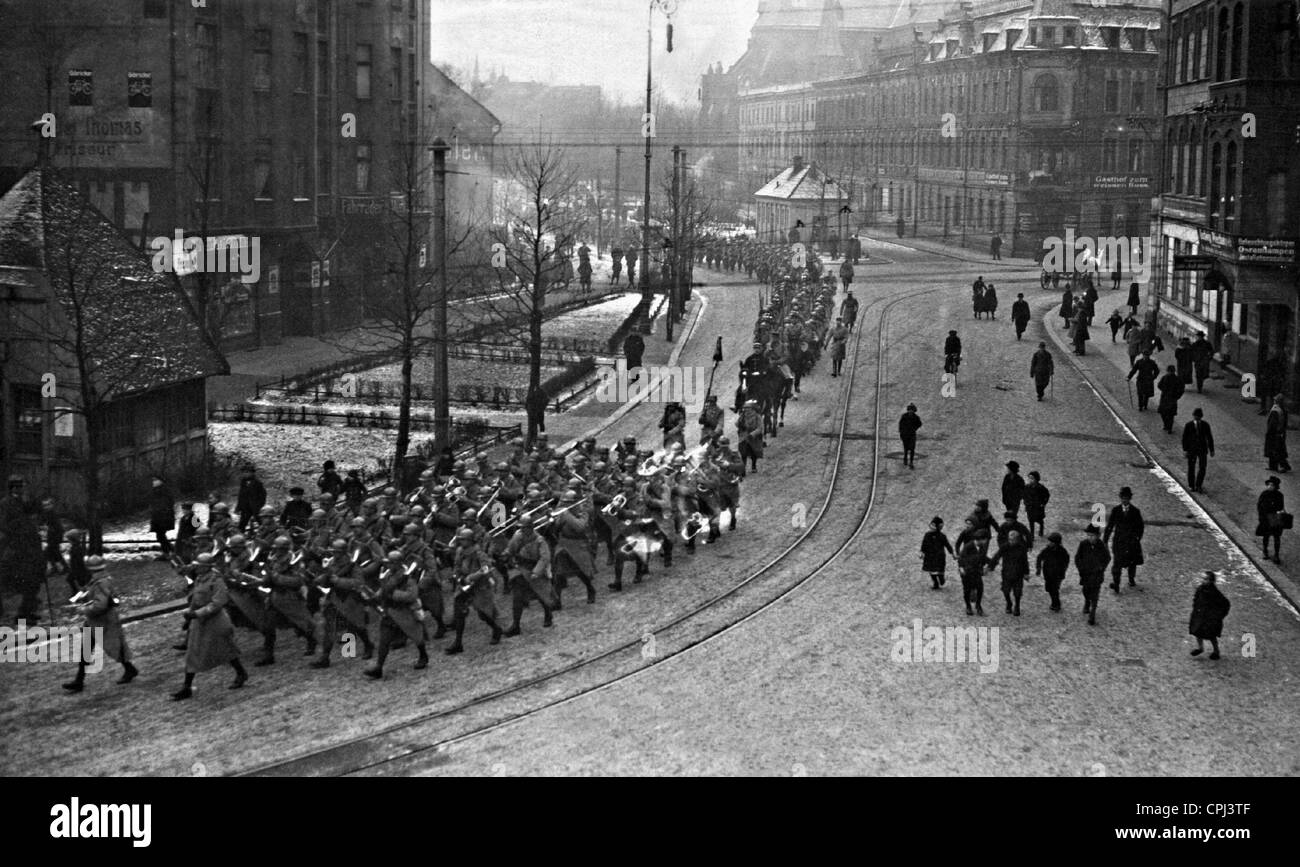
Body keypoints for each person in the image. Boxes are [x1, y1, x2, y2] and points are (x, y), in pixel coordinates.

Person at [171, 553, 246, 699]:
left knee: (227, 650)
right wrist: (190, 614)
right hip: (200, 621)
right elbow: (196, 599)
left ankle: (241, 673)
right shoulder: (200, 579)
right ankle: (186, 687)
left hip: (216, 622)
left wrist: (197, 613)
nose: (196, 568)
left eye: (198, 566)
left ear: (206, 567)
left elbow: (218, 603)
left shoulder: (216, 580)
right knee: (192, 652)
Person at [62, 556, 138, 692]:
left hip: (103, 621)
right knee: (87, 649)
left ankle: (130, 669)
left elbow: (100, 605)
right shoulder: (100, 580)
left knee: (114, 647)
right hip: (96, 622)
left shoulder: (100, 583)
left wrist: (84, 609)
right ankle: (79, 680)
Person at [0, 475, 43, 625]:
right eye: (15, 487)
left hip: (29, 546)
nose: (18, 489)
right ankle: (23, 614)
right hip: (16, 548)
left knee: (34, 581)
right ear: (11, 488)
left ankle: (27, 611)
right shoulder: (6, 503)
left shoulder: (23, 501)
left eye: (20, 487)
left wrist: (31, 499)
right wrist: (20, 528)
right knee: (27, 581)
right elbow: (4, 524)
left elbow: (37, 510)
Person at [1103, 486, 1145, 592]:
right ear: (1120, 498)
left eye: (1126, 498)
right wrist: (1105, 540)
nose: (1124, 500)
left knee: (1132, 563)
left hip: (1131, 542)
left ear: (1130, 499)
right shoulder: (1116, 510)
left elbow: (1140, 527)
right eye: (1123, 498)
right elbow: (1110, 525)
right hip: (1119, 542)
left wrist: (1136, 538)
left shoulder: (1135, 511)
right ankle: (1116, 583)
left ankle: (1131, 579)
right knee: (1117, 563)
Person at [1188, 571, 1230, 660]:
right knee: (1197, 632)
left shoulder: (1215, 593)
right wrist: (1195, 608)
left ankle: (1216, 651)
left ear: (1211, 581)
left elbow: (1225, 604)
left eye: (1206, 579)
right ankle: (1200, 648)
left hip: (1209, 618)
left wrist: (1219, 616)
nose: (1203, 581)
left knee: (1211, 635)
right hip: (1199, 616)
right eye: (1203, 579)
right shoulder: (1200, 589)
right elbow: (1196, 599)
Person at [987, 529, 1029, 616]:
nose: (1011, 541)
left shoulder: (1022, 548)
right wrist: (990, 566)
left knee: (1017, 592)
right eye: (1010, 539)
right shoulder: (1005, 547)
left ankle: (1017, 606)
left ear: (1017, 540)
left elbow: (1025, 561)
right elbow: (996, 556)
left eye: (1013, 540)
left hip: (1018, 573)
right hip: (1006, 573)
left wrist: (1026, 573)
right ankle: (1009, 603)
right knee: (1006, 591)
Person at [1075, 525, 1111, 626]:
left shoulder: (1101, 545)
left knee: (1095, 595)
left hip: (1096, 575)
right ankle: (1087, 602)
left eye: (1092, 536)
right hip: (1085, 574)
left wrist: (1101, 568)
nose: (1090, 537)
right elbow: (1078, 557)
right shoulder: (1083, 544)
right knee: (1085, 591)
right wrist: (1080, 568)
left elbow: (1107, 558)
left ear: (1098, 536)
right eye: (1088, 535)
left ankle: (1092, 615)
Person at [1181, 407, 1215, 492]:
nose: (1197, 418)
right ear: (1193, 416)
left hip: (1202, 449)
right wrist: (1185, 449)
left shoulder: (1205, 425)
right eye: (1196, 416)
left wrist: (1211, 449)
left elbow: (1209, 437)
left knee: (1202, 467)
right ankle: (1191, 485)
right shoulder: (1188, 425)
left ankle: (1199, 485)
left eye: (1198, 416)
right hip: (1192, 449)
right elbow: (1184, 438)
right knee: (1191, 467)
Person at [1035, 532, 1070, 612]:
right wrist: (1038, 568)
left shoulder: (1062, 552)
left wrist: (1063, 571)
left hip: (1057, 574)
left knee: (1054, 589)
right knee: (1049, 589)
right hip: (1047, 573)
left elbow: (1066, 561)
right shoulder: (1047, 550)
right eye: (1049, 541)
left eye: (1052, 542)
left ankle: (1056, 604)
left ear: (1057, 543)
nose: (1049, 543)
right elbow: (1039, 558)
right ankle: (1054, 603)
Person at [956, 529, 987, 616]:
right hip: (967, 572)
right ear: (980, 539)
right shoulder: (968, 546)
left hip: (976, 571)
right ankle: (968, 606)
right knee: (967, 590)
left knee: (980, 588)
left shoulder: (982, 547)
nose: (985, 542)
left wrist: (991, 562)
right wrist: (961, 567)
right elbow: (961, 557)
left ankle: (978, 605)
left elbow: (983, 558)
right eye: (985, 540)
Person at [1256, 476, 1286, 562]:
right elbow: (1259, 506)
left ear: (1276, 486)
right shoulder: (1264, 494)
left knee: (1277, 537)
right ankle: (1265, 551)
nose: (1269, 486)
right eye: (1268, 485)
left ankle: (1276, 554)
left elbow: (1281, 506)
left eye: (1272, 485)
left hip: (1275, 518)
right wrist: (1261, 518)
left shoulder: (1279, 495)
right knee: (1266, 536)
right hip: (1265, 518)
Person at [920, 516, 954, 590]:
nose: (931, 527)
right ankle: (935, 583)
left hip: (939, 556)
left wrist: (952, 553)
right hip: (930, 556)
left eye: (934, 526)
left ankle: (941, 578)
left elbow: (947, 545)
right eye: (931, 525)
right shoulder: (927, 535)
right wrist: (922, 552)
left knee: (940, 570)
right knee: (931, 571)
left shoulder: (942, 536)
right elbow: (924, 544)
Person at [149, 476, 175, 560]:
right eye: (153, 480)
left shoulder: (162, 491)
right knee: (160, 535)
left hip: (162, 518)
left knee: (160, 536)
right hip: (159, 517)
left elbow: (166, 504)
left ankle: (167, 552)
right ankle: (170, 550)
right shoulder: (158, 491)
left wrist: (160, 513)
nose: (154, 482)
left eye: (155, 480)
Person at [236, 465, 266, 533]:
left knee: (261, 522)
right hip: (245, 507)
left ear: (252, 473)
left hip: (256, 507)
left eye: (247, 472)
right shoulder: (243, 482)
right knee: (242, 524)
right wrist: (238, 507)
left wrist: (260, 505)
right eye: (244, 472)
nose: (245, 474)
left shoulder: (258, 483)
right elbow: (241, 496)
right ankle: (239, 538)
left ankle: (265, 535)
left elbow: (263, 496)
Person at [1156, 364, 1185, 434]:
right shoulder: (1166, 378)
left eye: (1171, 371)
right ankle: (1167, 425)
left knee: (1169, 414)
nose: (1170, 373)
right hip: (1168, 398)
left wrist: (1177, 396)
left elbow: (1181, 389)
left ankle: (1169, 427)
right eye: (1170, 371)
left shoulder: (1176, 379)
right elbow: (1159, 385)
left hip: (1170, 398)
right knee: (1165, 413)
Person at [1266, 395, 1292, 472]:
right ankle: (1274, 466)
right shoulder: (1282, 410)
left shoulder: (1275, 410)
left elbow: (1272, 424)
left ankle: (1283, 466)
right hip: (1280, 433)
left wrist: (1269, 432)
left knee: (1276, 451)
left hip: (1274, 434)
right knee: (1278, 450)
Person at [1022, 471, 1050, 540]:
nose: (1030, 480)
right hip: (1030, 507)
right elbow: (1024, 496)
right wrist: (1026, 504)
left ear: (1037, 479)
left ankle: (1041, 528)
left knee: (1039, 519)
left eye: (1032, 478)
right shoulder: (1027, 487)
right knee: (1031, 520)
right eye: (1029, 478)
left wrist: (1043, 503)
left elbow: (1047, 495)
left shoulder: (1040, 487)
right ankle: (1032, 535)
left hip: (1038, 507)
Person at [1259, 352, 1288, 416]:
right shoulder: (1273, 363)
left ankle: (1268, 409)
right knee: (1268, 393)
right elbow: (1265, 371)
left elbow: (1282, 376)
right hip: (1271, 382)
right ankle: (1265, 409)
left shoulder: (1279, 365)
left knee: (1272, 394)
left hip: (1274, 383)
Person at [898, 403, 922, 469]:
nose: (910, 411)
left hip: (912, 435)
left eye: (912, 410)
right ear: (908, 410)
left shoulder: (916, 417)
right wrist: (901, 433)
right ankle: (905, 458)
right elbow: (900, 425)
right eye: (909, 410)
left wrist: (915, 428)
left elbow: (919, 424)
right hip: (905, 435)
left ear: (914, 411)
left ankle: (911, 462)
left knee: (912, 448)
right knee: (906, 448)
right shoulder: (904, 416)